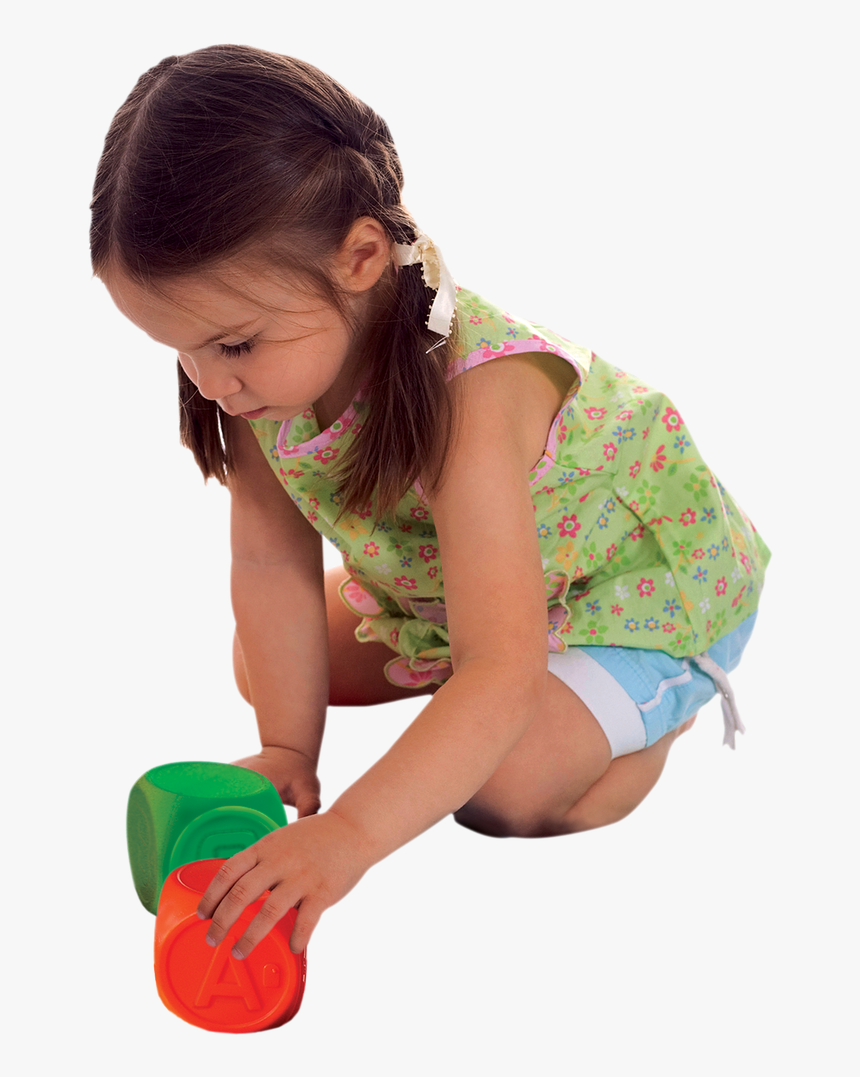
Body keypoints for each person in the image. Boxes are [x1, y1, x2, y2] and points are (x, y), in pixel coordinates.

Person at [91, 44, 770, 962]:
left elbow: (498, 671)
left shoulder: (470, 398)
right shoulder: (263, 386)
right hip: (465, 593)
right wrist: (290, 752)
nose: (211, 384)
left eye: (235, 346)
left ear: (362, 255)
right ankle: (478, 699)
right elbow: (267, 566)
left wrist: (349, 838)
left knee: (505, 783)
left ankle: (655, 720)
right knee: (267, 668)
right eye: (183, 352)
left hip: (631, 595)